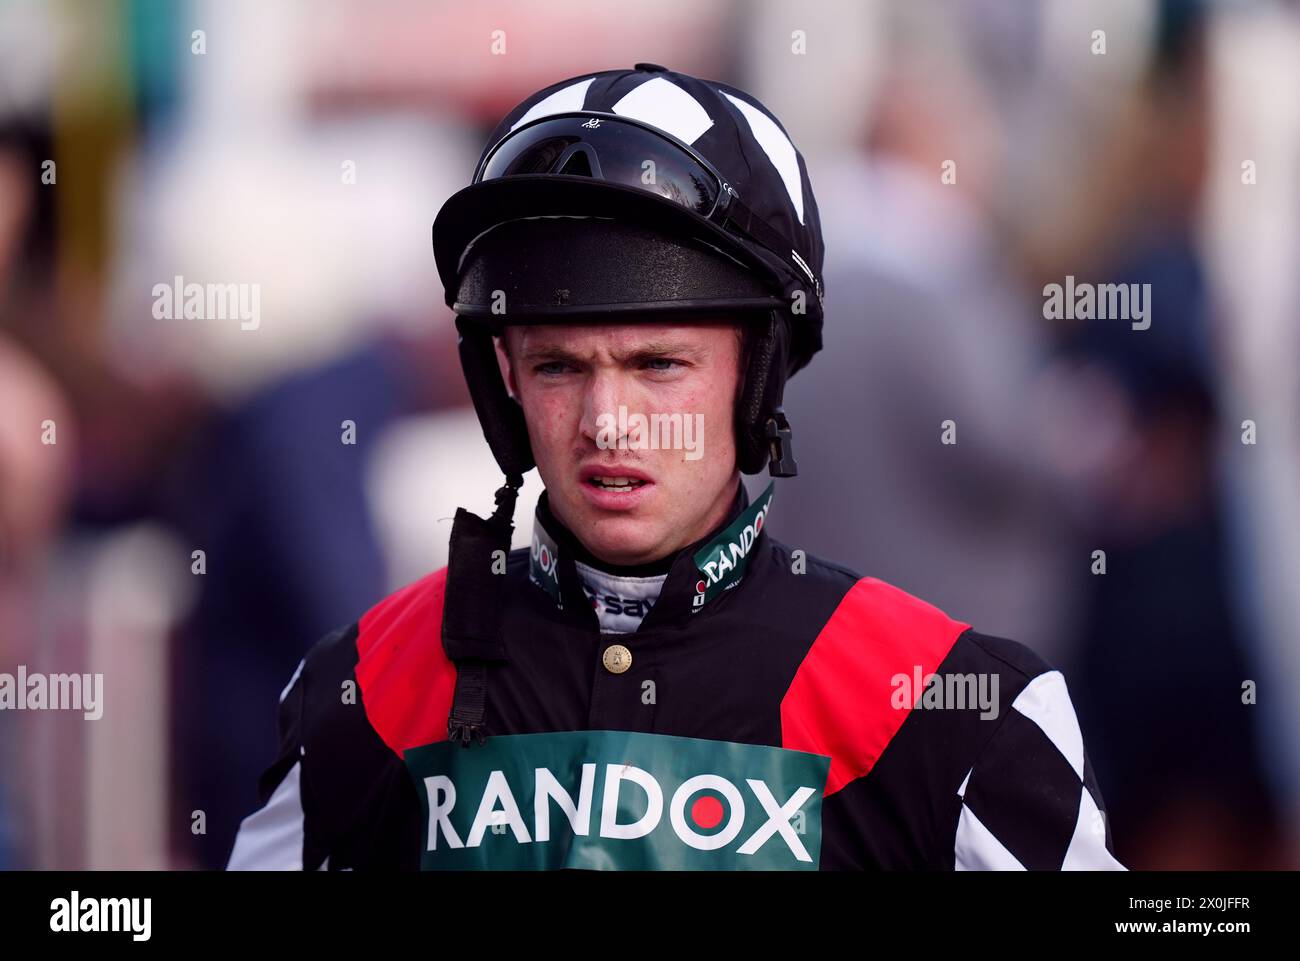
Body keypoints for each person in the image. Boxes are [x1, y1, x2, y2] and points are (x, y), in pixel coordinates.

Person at [227, 63, 1123, 871]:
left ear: (756, 373)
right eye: (558, 367)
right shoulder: (363, 690)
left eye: (658, 365)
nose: (606, 424)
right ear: (504, 381)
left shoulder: (958, 709)